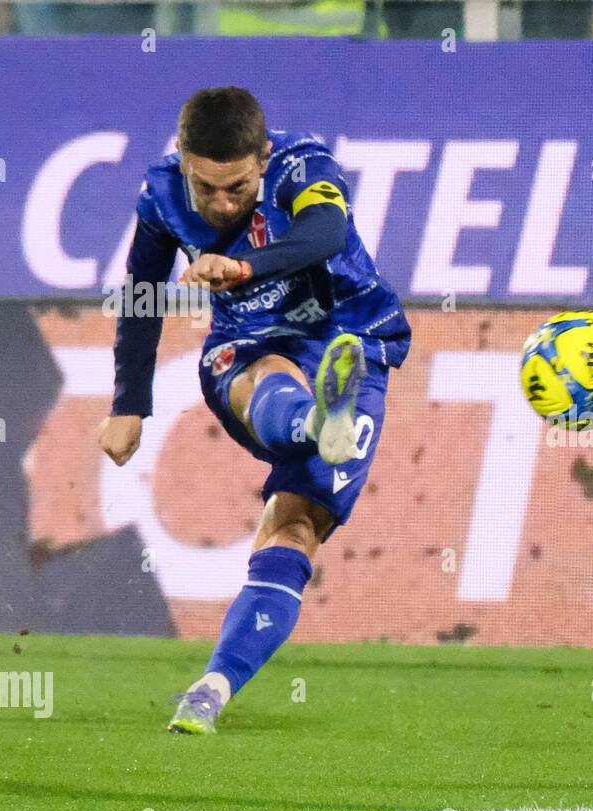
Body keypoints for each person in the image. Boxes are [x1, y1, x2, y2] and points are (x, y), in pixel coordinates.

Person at [97, 86, 410, 734]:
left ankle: (214, 686)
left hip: (350, 337)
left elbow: (325, 233)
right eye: (205, 187)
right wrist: (129, 404)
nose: (219, 203)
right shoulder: (160, 195)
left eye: (236, 187)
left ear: (262, 158)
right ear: (181, 157)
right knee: (255, 372)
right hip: (249, 340)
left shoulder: (303, 165)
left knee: (294, 526)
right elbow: (139, 295)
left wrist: (242, 266)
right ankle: (316, 424)